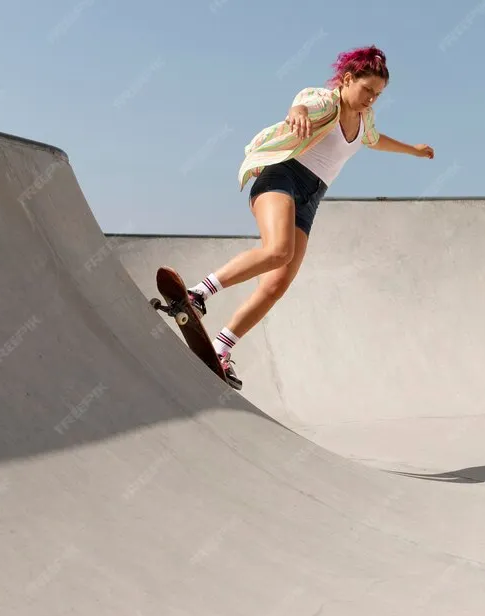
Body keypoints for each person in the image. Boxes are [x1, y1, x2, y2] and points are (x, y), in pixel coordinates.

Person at [185, 45, 435, 389]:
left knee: (276, 284)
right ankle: (196, 294)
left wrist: (413, 150)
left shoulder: (366, 120)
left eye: (378, 94)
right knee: (278, 250)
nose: (371, 99)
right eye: (366, 90)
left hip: (311, 197)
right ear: (347, 80)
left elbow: (375, 140)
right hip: (282, 177)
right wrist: (298, 112)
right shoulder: (326, 101)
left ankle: (221, 348)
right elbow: (302, 102)